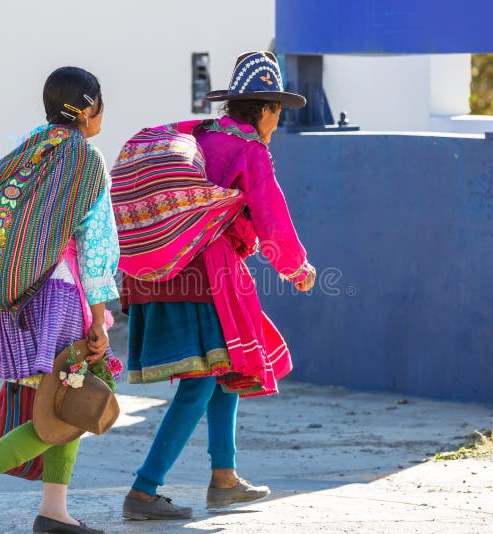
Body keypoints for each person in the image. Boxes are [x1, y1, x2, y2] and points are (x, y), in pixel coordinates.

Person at [119, 51, 317, 520]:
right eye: (277, 113)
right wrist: (298, 269)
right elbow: (271, 218)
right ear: (264, 110)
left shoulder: (199, 134)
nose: (277, 123)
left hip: (164, 266)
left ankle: (224, 479)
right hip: (205, 277)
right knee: (200, 382)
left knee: (226, 368)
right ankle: (143, 491)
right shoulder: (249, 149)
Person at [0, 66, 119, 534]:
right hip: (61, 295)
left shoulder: (31, 146)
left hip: (21, 297)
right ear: (89, 108)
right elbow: (95, 245)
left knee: (67, 397)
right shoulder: (85, 161)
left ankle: (54, 510)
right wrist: (99, 318)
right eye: (101, 104)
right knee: (69, 400)